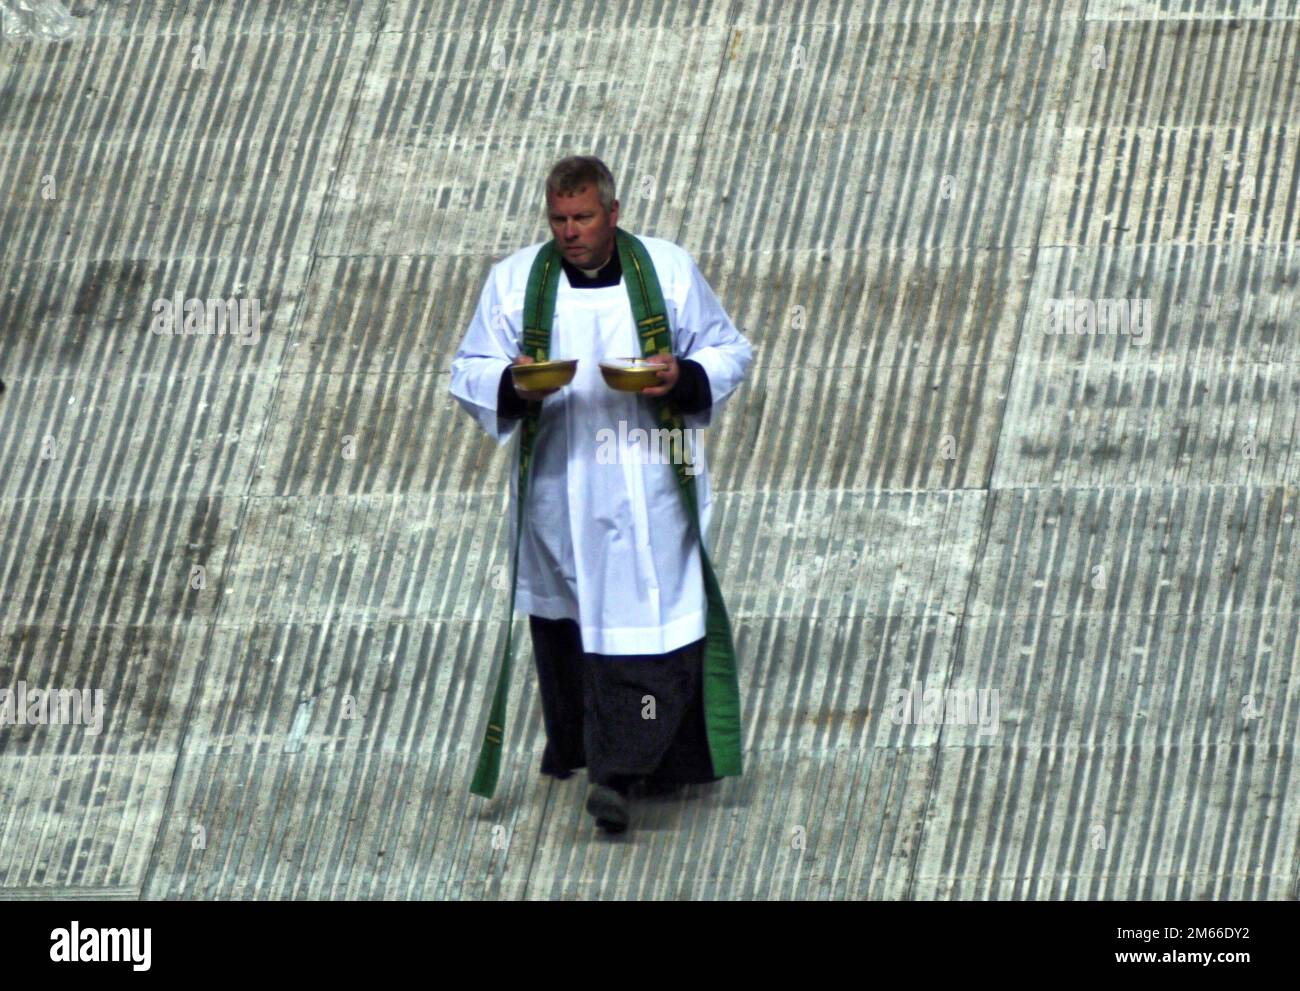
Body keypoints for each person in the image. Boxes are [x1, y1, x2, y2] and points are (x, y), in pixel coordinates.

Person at [449, 155, 752, 834]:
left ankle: (624, 774)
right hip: (563, 487)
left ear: (613, 213)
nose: (570, 231)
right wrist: (513, 384)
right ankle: (601, 758)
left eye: (583, 217)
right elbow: (467, 368)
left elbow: (731, 349)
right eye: (558, 218)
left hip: (651, 485)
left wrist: (683, 373)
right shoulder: (515, 284)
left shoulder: (667, 271)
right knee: (577, 619)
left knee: (650, 614)